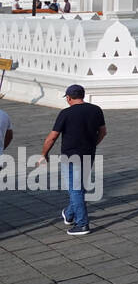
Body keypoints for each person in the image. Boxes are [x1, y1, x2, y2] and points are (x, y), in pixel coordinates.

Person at [37, 84, 106, 236]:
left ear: (68, 97)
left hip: (71, 157)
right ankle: (69, 214)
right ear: (83, 95)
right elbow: (103, 131)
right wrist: (93, 144)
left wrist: (44, 154)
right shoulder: (96, 110)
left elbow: (52, 137)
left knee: (75, 190)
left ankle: (82, 224)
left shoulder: (66, 113)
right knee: (80, 187)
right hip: (89, 154)